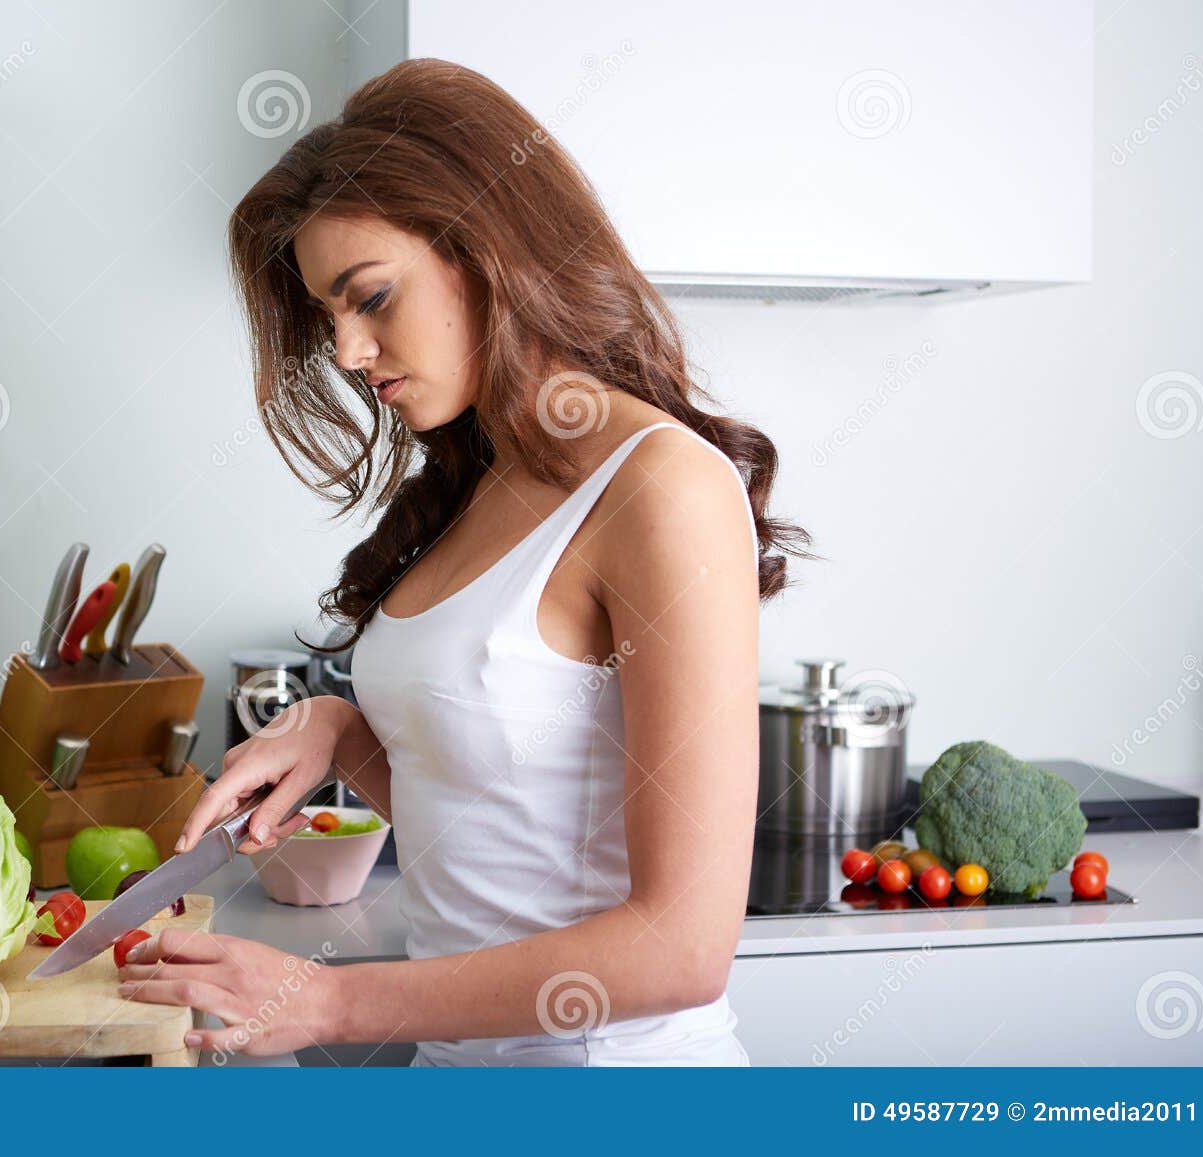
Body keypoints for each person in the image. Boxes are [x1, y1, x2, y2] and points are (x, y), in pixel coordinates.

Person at [118, 58, 811, 1066]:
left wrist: (331, 1005)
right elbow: (500, 837)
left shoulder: (660, 488)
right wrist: (337, 728)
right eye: (328, 317)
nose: (349, 351)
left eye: (370, 297)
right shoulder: (484, 479)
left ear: (486, 251)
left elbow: (683, 946)